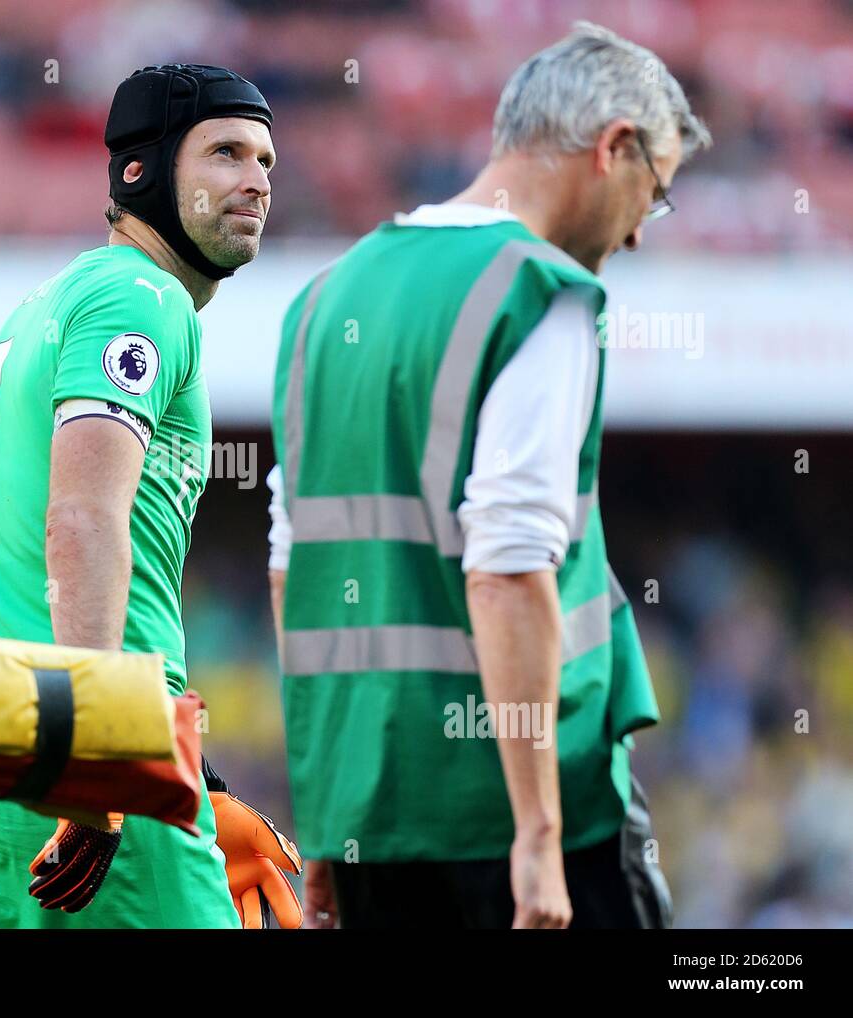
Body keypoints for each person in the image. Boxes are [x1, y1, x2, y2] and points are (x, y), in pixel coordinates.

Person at [268, 22, 710, 929]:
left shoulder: (323, 300)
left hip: (374, 827)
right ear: (614, 146)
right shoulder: (541, 292)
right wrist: (540, 837)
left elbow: (295, 573)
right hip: (522, 827)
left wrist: (325, 823)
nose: (634, 236)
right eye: (653, 194)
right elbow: (509, 572)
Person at [0, 63, 300, 929]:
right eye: (227, 153)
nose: (258, 182)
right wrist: (100, 761)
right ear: (142, 173)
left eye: (267, 161)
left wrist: (196, 779)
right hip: (74, 750)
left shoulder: (39, 310)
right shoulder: (142, 298)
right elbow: (81, 519)